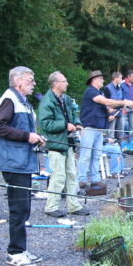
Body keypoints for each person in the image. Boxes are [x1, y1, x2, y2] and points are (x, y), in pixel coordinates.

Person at [0, 66, 47, 266]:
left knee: (24, 208)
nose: (33, 84)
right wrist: (28, 136)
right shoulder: (9, 99)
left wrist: (36, 138)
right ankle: (14, 252)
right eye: (30, 80)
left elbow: (22, 129)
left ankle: (21, 249)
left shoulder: (22, 101)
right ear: (18, 81)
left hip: (22, 160)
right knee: (18, 208)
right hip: (13, 162)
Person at [38, 71, 90, 217]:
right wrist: (65, 125)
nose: (67, 83)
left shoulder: (66, 99)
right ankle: (51, 207)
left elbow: (74, 114)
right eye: (64, 81)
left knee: (72, 175)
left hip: (69, 143)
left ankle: (73, 206)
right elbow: (45, 124)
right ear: (55, 83)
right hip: (56, 144)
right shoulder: (46, 101)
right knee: (58, 176)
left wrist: (77, 124)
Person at [78, 70, 133, 189]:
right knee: (85, 155)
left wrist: (122, 106)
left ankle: (95, 179)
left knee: (96, 156)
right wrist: (125, 101)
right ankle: (81, 180)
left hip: (99, 129)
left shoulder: (99, 92)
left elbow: (107, 106)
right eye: (100, 78)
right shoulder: (91, 91)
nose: (103, 80)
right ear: (94, 80)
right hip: (89, 128)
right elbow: (106, 101)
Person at [120, 70, 133, 137]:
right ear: (128, 76)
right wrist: (125, 104)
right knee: (121, 125)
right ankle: (121, 141)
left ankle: (131, 140)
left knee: (132, 125)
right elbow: (119, 96)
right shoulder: (121, 84)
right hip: (124, 109)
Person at [103, 72, 124, 140]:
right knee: (110, 134)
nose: (121, 79)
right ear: (115, 78)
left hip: (120, 112)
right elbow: (104, 101)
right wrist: (109, 110)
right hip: (111, 113)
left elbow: (122, 99)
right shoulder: (107, 88)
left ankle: (120, 147)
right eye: (120, 78)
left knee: (120, 133)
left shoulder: (120, 88)